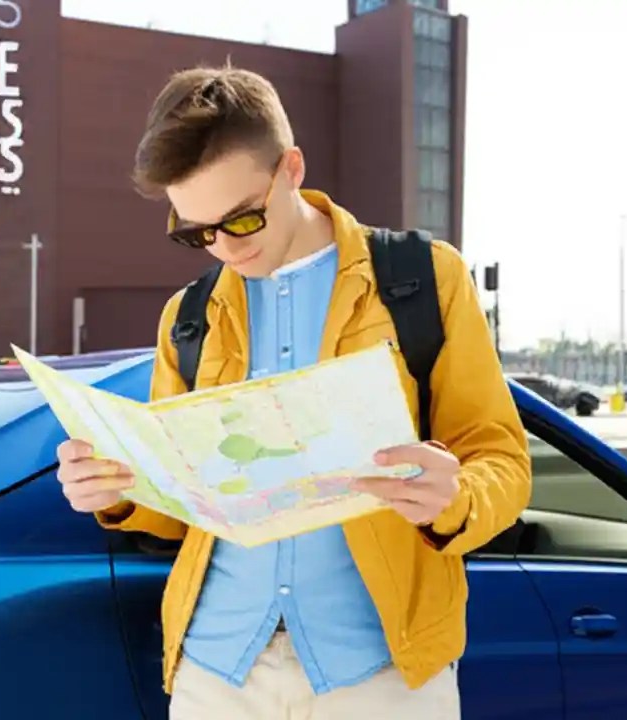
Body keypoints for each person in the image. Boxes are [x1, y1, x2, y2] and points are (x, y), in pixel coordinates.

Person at [55, 62, 531, 719]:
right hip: (215, 673)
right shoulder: (187, 318)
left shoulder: (423, 279)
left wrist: (456, 496)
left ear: (292, 170)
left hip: (384, 675)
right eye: (196, 232)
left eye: (242, 221)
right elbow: (175, 508)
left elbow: (503, 462)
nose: (221, 247)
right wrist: (114, 491)